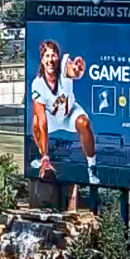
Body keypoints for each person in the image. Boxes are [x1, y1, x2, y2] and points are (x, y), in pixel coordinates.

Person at [30, 39, 98, 184]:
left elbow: (73, 71)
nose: (50, 59)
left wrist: (78, 69)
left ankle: (92, 167)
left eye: (53, 55)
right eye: (47, 56)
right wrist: (46, 156)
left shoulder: (63, 66)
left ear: (58, 57)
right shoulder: (37, 84)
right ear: (42, 59)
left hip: (70, 113)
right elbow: (42, 120)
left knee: (84, 123)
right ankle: (43, 158)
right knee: (36, 123)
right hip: (52, 118)